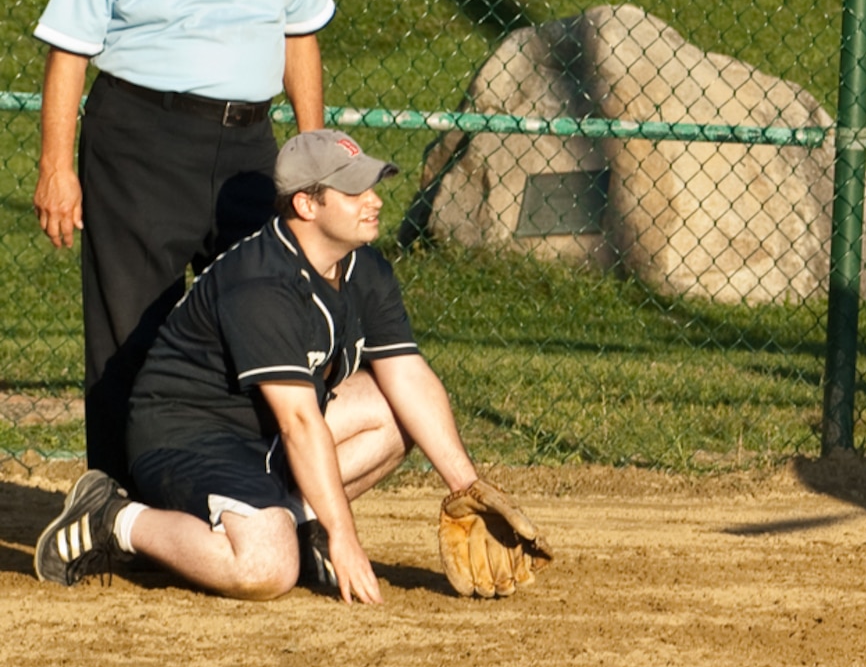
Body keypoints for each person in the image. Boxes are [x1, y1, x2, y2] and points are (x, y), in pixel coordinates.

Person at [33, 131, 552, 603]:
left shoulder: (363, 267)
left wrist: (467, 488)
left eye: (372, 186)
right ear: (306, 203)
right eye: (354, 191)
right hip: (188, 438)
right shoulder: (261, 284)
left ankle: (293, 521)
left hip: (262, 434)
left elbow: (407, 375)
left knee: (397, 412)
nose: (374, 200)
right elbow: (299, 422)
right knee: (267, 567)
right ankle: (113, 517)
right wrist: (342, 536)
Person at [33, 0, 332, 485]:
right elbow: (69, 53)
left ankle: (260, 492)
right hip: (141, 144)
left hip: (249, 148)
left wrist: (313, 149)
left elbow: (299, 34)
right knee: (128, 333)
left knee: (268, 316)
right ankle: (117, 508)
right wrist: (56, 169)